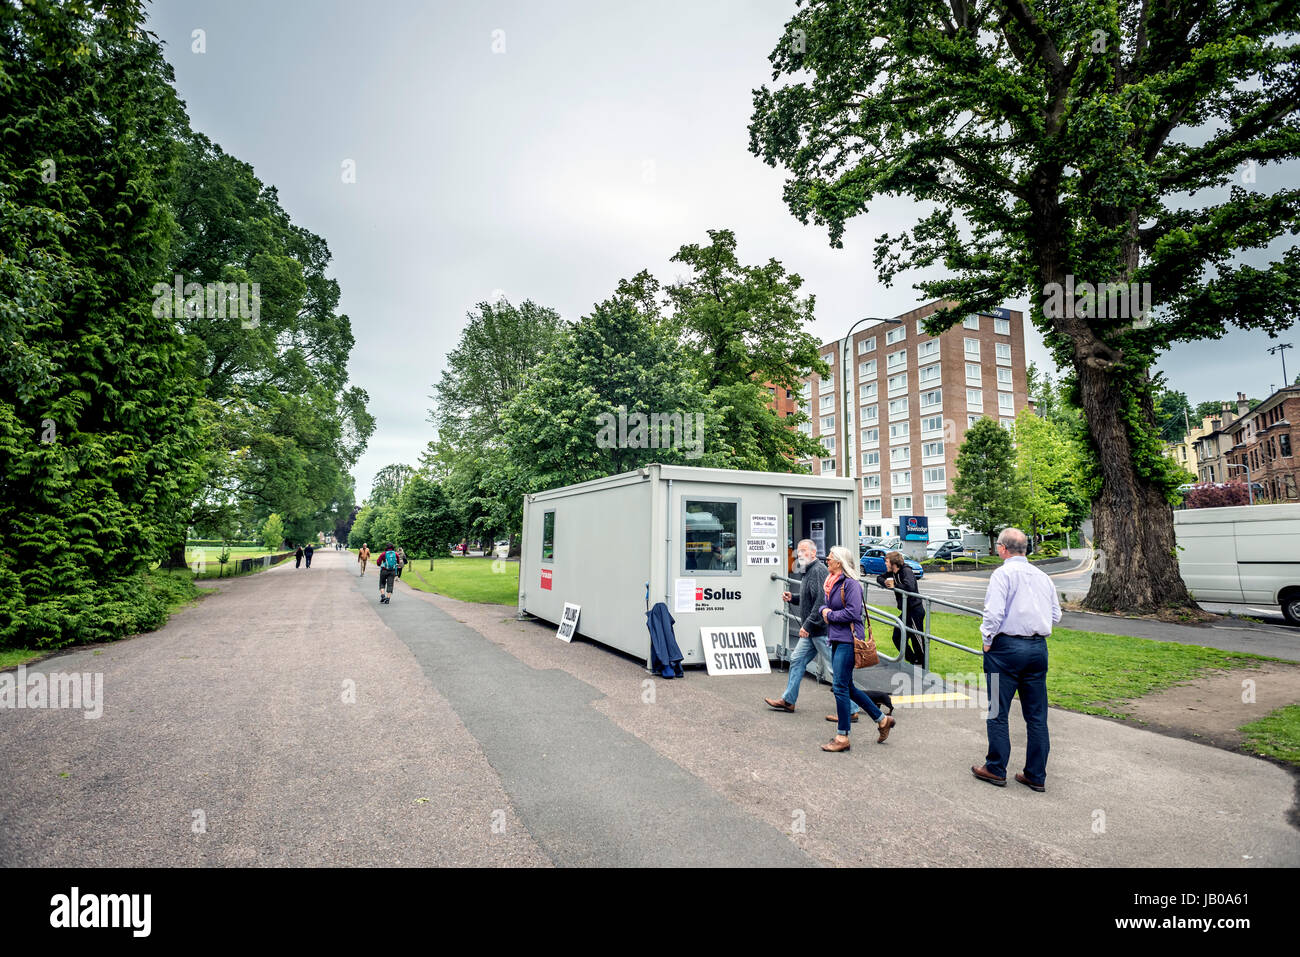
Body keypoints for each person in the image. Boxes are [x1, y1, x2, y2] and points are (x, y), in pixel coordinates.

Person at [971, 527, 1061, 792]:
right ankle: (1035, 774)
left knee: (998, 710)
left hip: (1006, 650)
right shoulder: (1043, 576)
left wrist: (987, 640)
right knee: (1036, 716)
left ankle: (996, 768)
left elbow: (994, 613)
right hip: (1037, 650)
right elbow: (1056, 615)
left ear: (1002, 548)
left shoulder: (1002, 574)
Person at [764, 539, 861, 721]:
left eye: (803, 551)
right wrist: (793, 598)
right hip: (813, 631)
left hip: (821, 630)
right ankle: (788, 700)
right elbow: (810, 597)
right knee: (796, 660)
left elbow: (821, 601)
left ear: (813, 554)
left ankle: (852, 709)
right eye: (798, 552)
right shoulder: (808, 571)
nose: (799, 554)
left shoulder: (817, 570)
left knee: (836, 670)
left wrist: (807, 625)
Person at [820, 545, 896, 752]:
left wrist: (830, 615)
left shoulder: (851, 584)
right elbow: (824, 605)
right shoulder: (831, 582)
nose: (827, 559)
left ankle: (842, 736)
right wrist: (823, 610)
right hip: (837, 638)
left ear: (839, 562)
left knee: (840, 687)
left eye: (830, 557)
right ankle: (882, 720)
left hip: (848, 640)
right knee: (847, 686)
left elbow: (853, 613)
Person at [876, 551, 925, 665]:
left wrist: (895, 586)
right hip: (906, 611)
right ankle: (913, 660)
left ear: (893, 563)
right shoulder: (892, 572)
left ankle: (923, 666)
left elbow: (910, 587)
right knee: (897, 637)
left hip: (914, 611)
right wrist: (885, 582)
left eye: (887, 562)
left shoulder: (906, 571)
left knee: (917, 640)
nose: (885, 564)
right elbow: (879, 578)